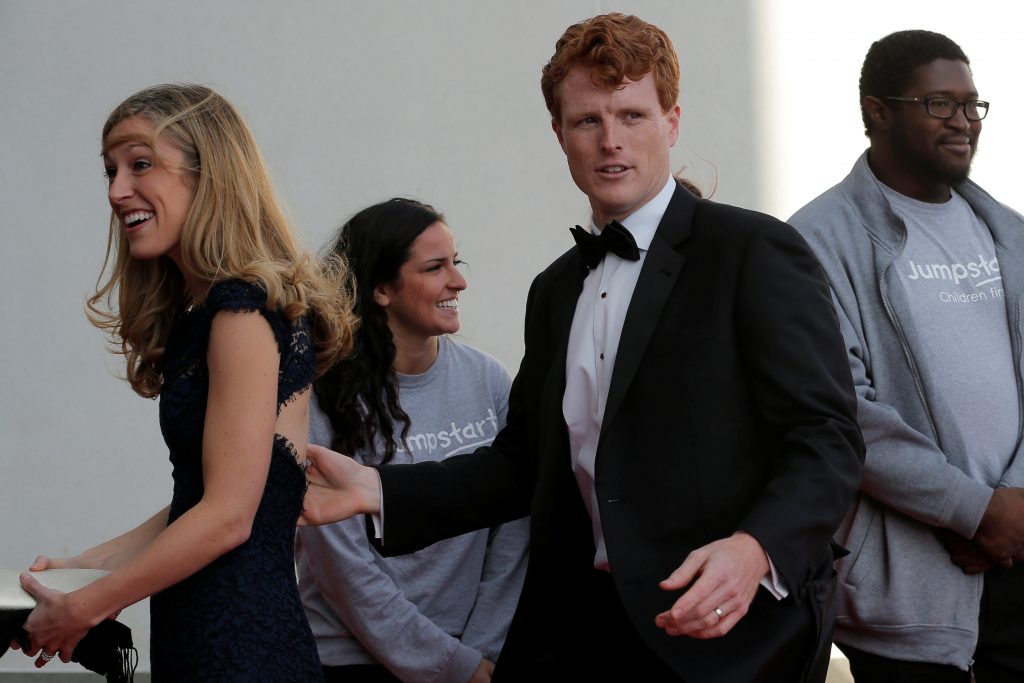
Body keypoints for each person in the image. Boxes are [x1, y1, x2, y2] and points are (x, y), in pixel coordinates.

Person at [301, 13, 863, 682]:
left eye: (631, 115)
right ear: (559, 133)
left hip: (726, 638)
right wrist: (380, 490)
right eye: (587, 121)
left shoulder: (752, 251)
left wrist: (754, 549)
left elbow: (827, 438)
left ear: (672, 122)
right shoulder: (556, 288)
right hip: (579, 637)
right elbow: (521, 465)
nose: (610, 142)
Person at [12, 84, 354, 681]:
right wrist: (84, 569)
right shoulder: (220, 313)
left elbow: (228, 517)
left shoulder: (240, 309)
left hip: (239, 649)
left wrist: (87, 606)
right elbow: (210, 496)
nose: (118, 190)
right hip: (215, 637)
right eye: (111, 170)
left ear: (210, 173)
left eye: (140, 164)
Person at [789, 30, 1024, 682]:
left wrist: (1016, 505)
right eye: (939, 104)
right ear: (877, 110)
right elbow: (845, 410)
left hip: (1019, 552)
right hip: (913, 581)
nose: (962, 122)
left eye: (972, 105)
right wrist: (975, 512)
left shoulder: (1009, 232)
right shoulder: (813, 242)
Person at [295, 198, 528, 683]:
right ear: (381, 287)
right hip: (352, 663)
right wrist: (449, 666)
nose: (458, 281)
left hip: (477, 660)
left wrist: (479, 655)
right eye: (435, 268)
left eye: (455, 263)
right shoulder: (320, 395)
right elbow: (341, 565)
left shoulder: (488, 379)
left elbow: (514, 530)